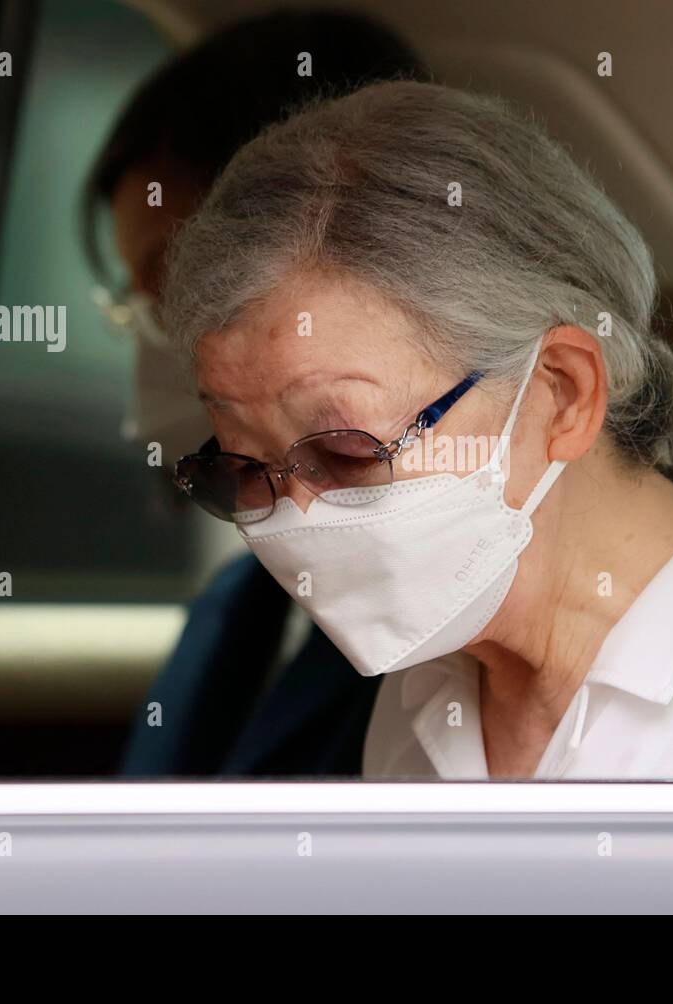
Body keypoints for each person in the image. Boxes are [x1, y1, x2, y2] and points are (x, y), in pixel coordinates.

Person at [163, 81, 673, 779]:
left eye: (344, 450)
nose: (296, 520)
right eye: (245, 468)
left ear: (564, 393)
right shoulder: (427, 690)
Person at [82, 11, 424, 776]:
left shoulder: (444, 614)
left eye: (176, 283)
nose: (158, 334)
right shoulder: (242, 598)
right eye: (136, 299)